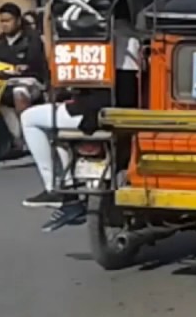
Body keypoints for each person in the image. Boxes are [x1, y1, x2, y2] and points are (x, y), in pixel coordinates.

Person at [19, 19, 142, 215]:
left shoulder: (96, 39)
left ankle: (54, 187)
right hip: (127, 109)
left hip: (94, 112)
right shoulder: (135, 38)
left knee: (29, 118)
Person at [0, 2, 48, 114]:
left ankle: (25, 124)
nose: (4, 25)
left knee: (19, 92)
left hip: (29, 80)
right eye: (2, 21)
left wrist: (21, 68)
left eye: (8, 21)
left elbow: (36, 62)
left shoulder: (31, 39)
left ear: (18, 21)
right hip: (2, 81)